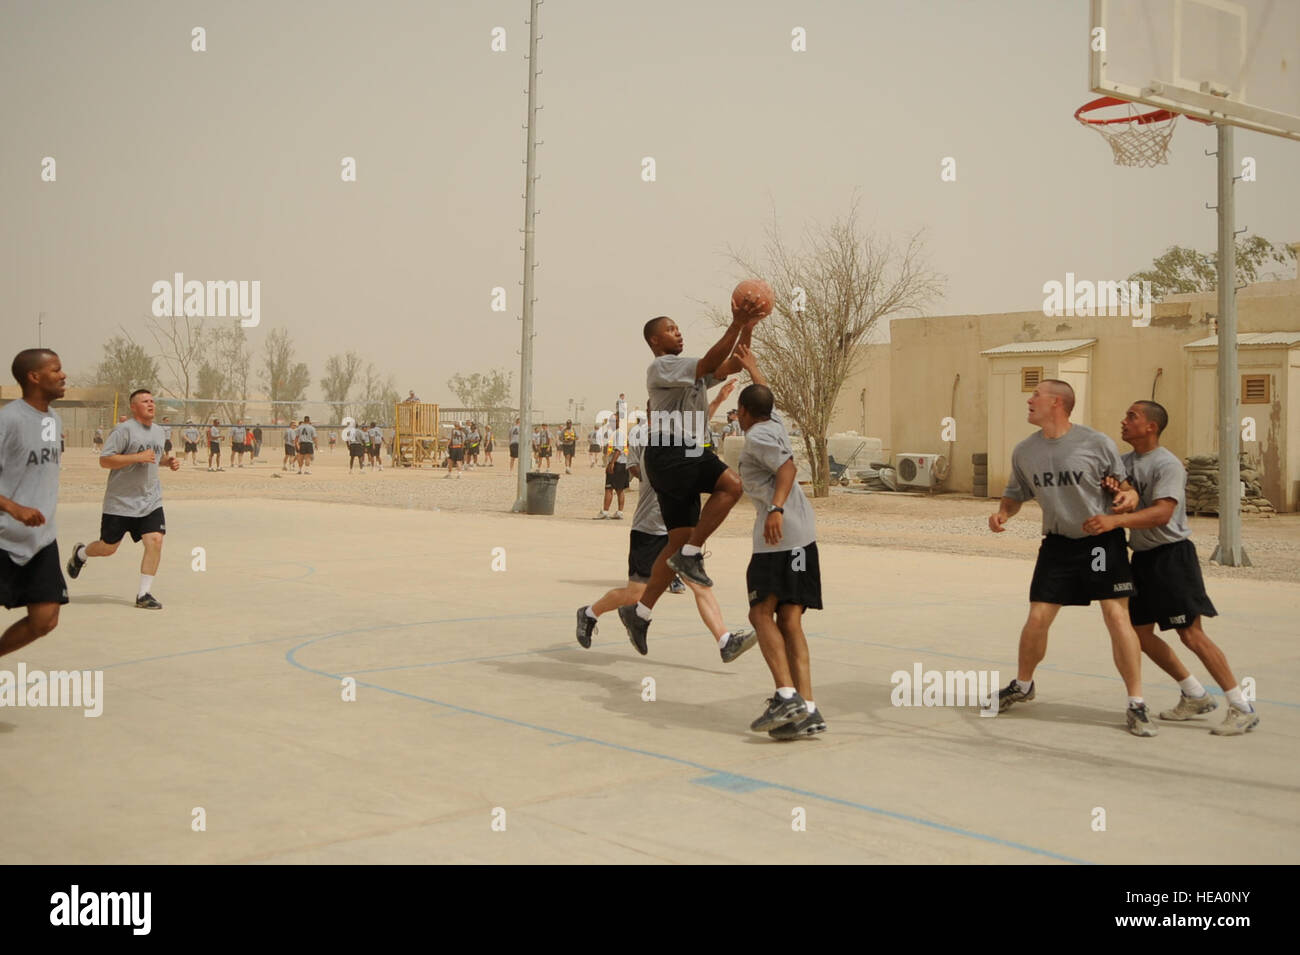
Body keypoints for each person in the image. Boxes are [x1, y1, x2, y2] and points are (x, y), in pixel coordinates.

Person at [989, 379, 1155, 737]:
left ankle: (1136, 704)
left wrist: (1128, 498)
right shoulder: (1024, 451)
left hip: (1099, 542)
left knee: (1114, 615)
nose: (1029, 400)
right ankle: (1023, 684)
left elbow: (1124, 489)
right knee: (1037, 618)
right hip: (1059, 544)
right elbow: (1016, 494)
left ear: (1058, 404)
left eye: (1036, 395)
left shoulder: (1095, 443)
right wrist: (1004, 513)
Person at [1084, 401, 1259, 736]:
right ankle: (1194, 694)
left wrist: (1115, 520)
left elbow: (1163, 513)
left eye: (1131, 416)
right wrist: (1114, 491)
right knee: (1137, 634)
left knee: (1191, 634)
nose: (1124, 421)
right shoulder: (1124, 463)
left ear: (1151, 426)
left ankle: (1241, 706)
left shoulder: (1168, 464)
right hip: (1144, 559)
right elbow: (1116, 491)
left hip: (1173, 557)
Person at [616, 301, 763, 652]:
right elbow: (711, 362)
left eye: (679, 328)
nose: (678, 332)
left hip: (676, 456)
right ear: (654, 340)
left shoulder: (690, 371)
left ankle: (640, 611)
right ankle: (692, 554)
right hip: (673, 450)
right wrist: (734, 322)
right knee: (732, 484)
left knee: (678, 542)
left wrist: (748, 326)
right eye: (671, 329)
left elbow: (729, 363)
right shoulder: (662, 367)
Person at [576, 425, 755, 663]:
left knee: (699, 584)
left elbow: (700, 412)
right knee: (635, 593)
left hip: (679, 528)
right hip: (650, 527)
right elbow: (633, 467)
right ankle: (590, 613)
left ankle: (725, 641)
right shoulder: (645, 437)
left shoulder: (684, 431)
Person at [734, 345, 825, 739]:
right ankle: (808, 709)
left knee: (759, 613)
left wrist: (774, 508)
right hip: (804, 537)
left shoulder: (756, 438)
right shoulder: (775, 425)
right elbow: (762, 398)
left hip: (778, 539)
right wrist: (755, 370)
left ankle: (786, 695)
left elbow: (788, 468)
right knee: (789, 619)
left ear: (742, 413)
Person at [66, 388, 180, 610]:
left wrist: (168, 462)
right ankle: (80, 554)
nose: (151, 404)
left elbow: (156, 458)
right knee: (108, 548)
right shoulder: (123, 430)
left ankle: (144, 594)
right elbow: (105, 460)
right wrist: (137, 457)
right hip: (120, 503)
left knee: (155, 540)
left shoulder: (159, 431)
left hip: (150, 501)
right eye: (145, 401)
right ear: (134, 406)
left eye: (152, 401)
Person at [1, 349, 68, 657]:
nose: (63, 375)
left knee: (45, 620)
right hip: (3, 537)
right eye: (55, 370)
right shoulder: (9, 419)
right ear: (34, 376)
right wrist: (13, 507)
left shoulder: (54, 420)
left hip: (41, 540)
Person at [596, 415, 628, 520]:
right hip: (621, 463)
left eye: (614, 421)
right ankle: (619, 512)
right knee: (619, 489)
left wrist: (611, 463)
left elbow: (618, 450)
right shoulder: (616, 434)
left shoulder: (618, 434)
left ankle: (605, 511)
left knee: (609, 488)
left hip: (617, 463)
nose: (611, 423)